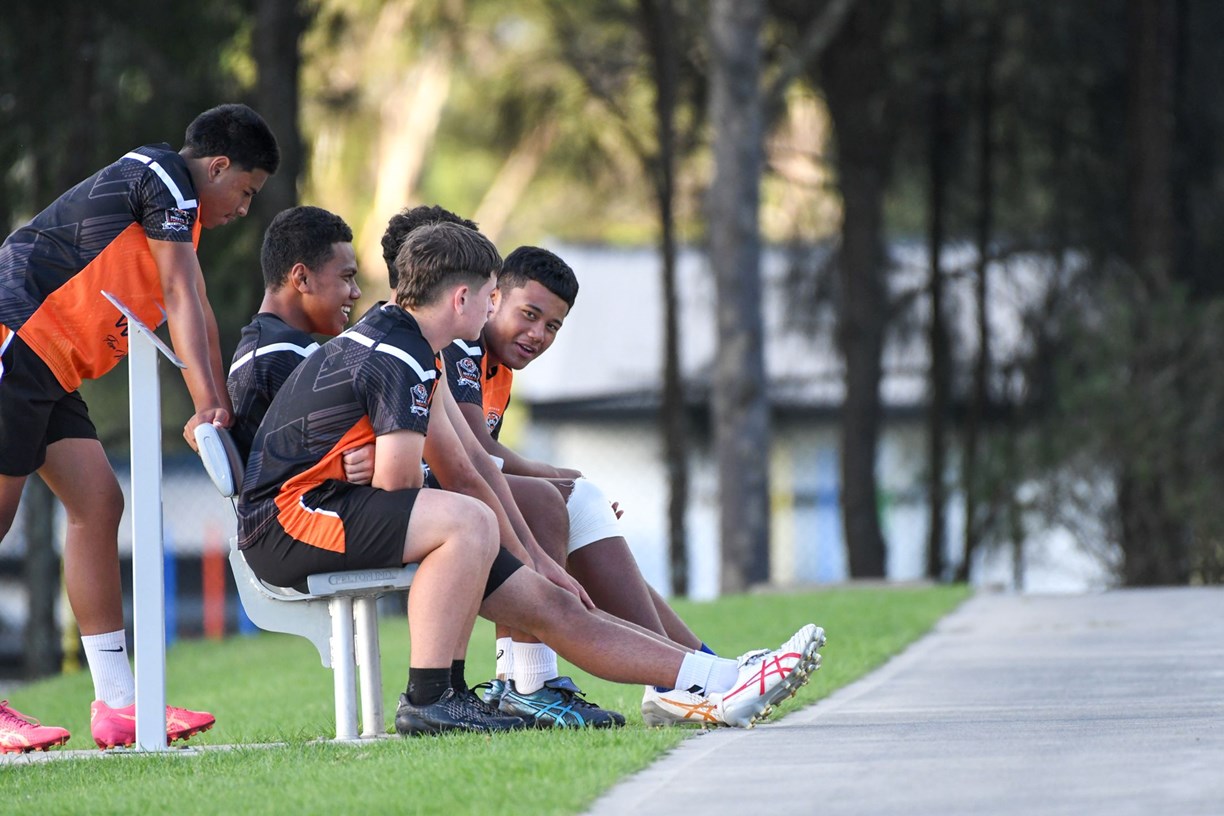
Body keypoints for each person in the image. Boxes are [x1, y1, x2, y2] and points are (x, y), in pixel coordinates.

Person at [237, 221, 823, 734]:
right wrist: (476, 534)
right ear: (464, 297)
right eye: (494, 297)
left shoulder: (415, 344)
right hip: (285, 525)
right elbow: (397, 485)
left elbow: (465, 468)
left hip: (334, 511)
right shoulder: (399, 353)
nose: (493, 309)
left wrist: (539, 565)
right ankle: (431, 699)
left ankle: (721, 678)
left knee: (551, 604)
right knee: (468, 520)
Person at [0, 103, 280, 754]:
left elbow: (198, 307)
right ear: (216, 167)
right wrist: (205, 403)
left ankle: (120, 704)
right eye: (244, 191)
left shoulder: (178, 226)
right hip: (18, 335)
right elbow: (180, 297)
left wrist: (217, 406)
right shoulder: (159, 174)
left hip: (54, 364)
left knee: (99, 503)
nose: (243, 207)